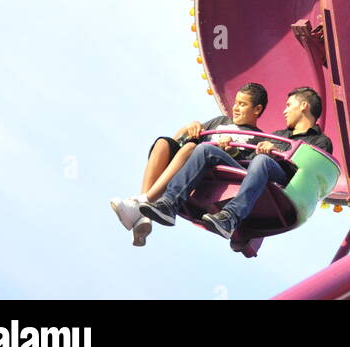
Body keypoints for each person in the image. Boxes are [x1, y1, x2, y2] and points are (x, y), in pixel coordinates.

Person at [138, 87, 333, 246]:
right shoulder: (278, 134)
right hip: (255, 172)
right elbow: (250, 158)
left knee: (263, 161)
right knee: (205, 149)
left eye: (289, 105)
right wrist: (242, 151)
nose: (284, 110)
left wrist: (274, 154)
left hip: (285, 184)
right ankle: (169, 204)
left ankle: (230, 217)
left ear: (304, 106)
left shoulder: (320, 142)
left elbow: (306, 173)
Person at [109, 83, 268, 248]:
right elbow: (177, 140)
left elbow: (249, 168)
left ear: (256, 109)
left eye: (242, 105)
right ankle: (143, 213)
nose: (235, 108)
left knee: (195, 148)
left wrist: (231, 150)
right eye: (236, 102)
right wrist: (189, 127)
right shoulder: (220, 121)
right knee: (164, 143)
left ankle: (142, 202)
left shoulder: (257, 138)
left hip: (216, 172)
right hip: (190, 165)